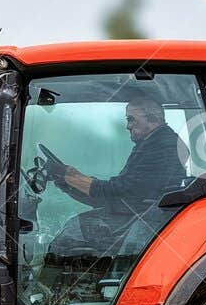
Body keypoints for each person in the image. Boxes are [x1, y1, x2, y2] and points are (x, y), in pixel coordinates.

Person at [44, 95, 188, 276]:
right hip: (137, 214)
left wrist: (70, 176)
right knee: (74, 227)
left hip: (142, 220)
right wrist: (67, 182)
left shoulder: (162, 146)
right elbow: (120, 191)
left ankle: (52, 294)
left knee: (68, 238)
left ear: (153, 120)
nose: (128, 126)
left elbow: (119, 190)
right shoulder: (156, 142)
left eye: (131, 119)